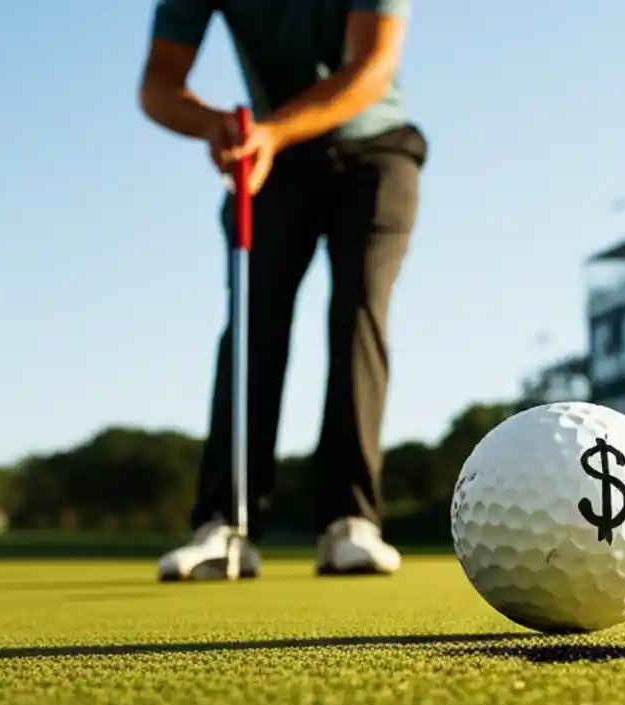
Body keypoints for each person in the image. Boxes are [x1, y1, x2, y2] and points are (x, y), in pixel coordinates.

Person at [138, 0, 426, 580]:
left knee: (358, 315)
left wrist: (275, 130)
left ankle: (349, 521)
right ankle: (225, 525)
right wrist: (211, 123)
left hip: (377, 149)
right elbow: (159, 84)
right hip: (273, 158)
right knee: (253, 324)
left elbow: (370, 69)